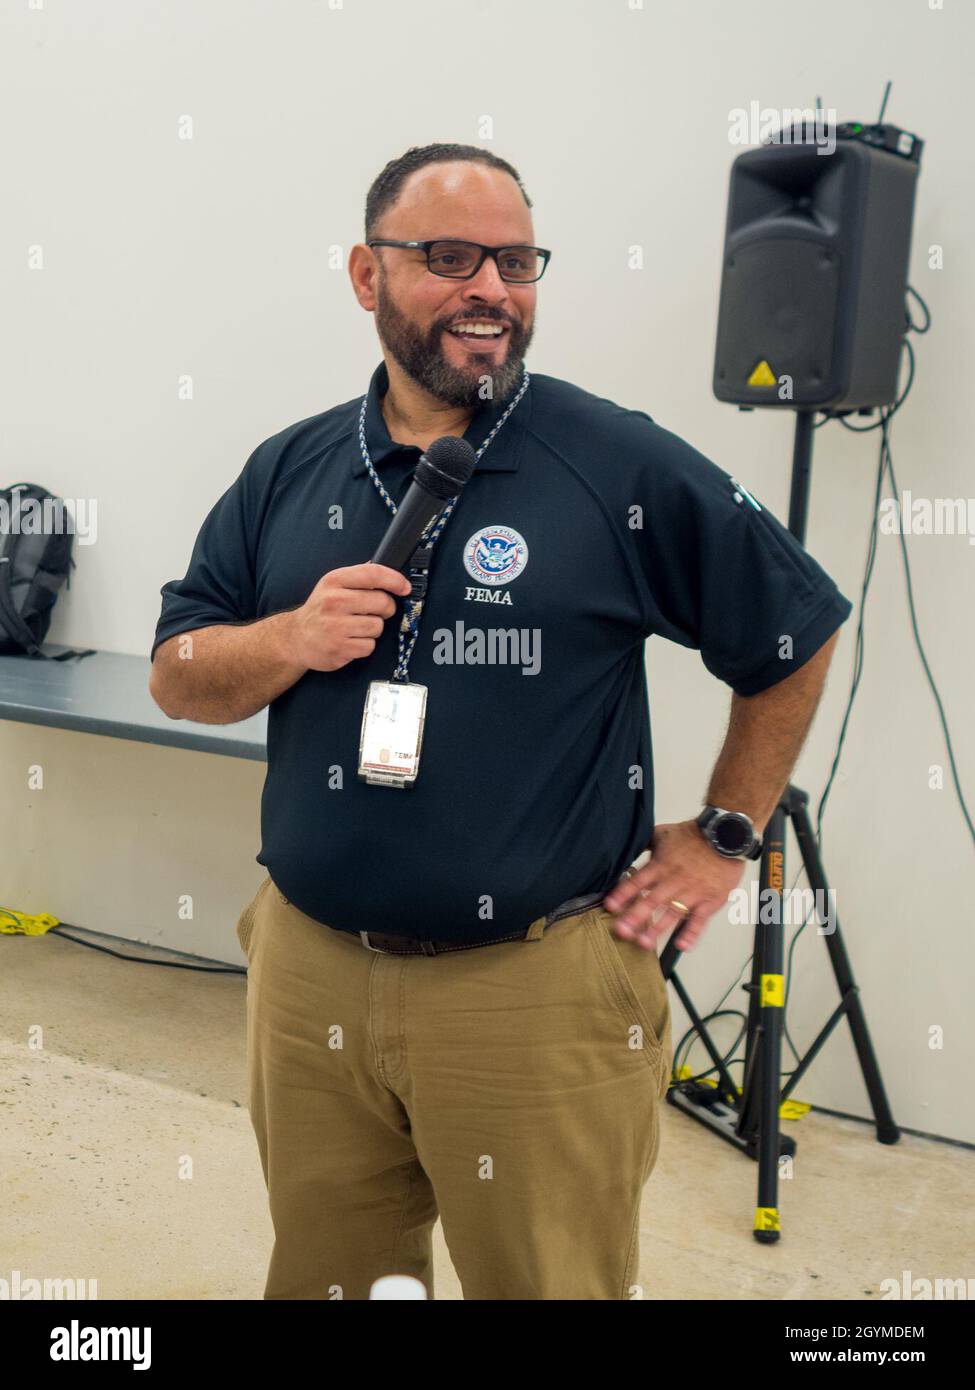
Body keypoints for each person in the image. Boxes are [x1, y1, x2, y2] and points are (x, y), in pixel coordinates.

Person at [149, 143, 852, 1300]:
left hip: (534, 995)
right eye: (450, 256)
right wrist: (290, 638)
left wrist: (727, 832)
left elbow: (798, 628)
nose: (491, 287)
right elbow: (180, 674)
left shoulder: (610, 459)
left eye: (516, 260)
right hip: (309, 972)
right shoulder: (289, 468)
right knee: (325, 1280)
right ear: (367, 278)